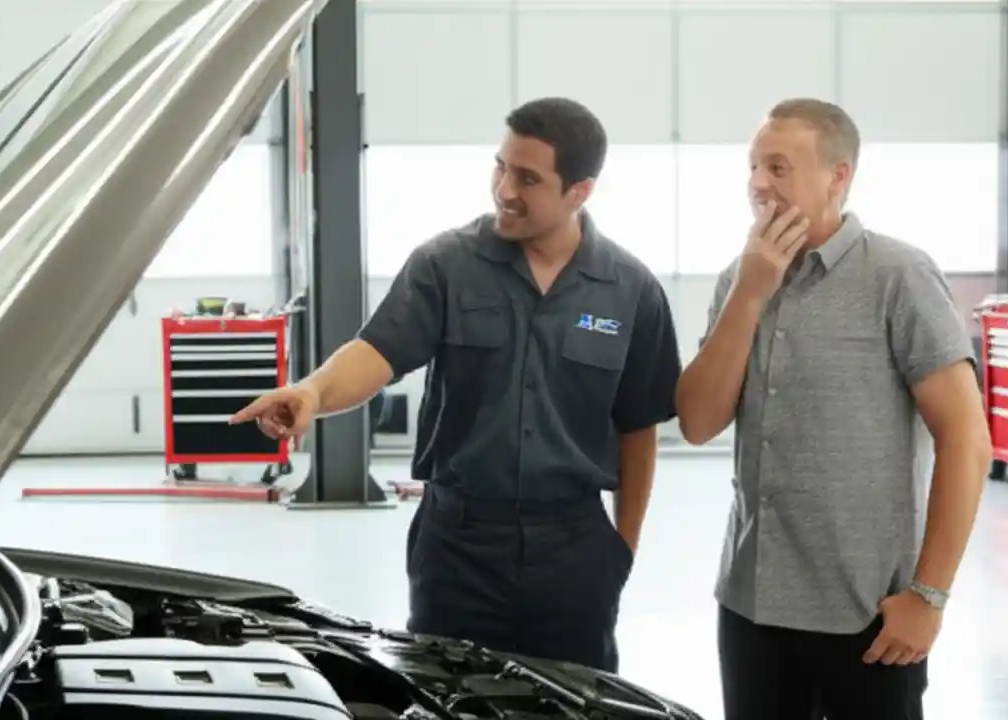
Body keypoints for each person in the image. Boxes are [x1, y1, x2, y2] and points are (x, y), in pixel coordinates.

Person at [230, 97, 682, 672]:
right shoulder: (447, 264)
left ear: (580, 192)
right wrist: (313, 393)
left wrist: (623, 549)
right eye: (501, 166)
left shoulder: (631, 289)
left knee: (574, 703)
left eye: (528, 178)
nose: (504, 190)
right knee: (445, 695)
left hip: (574, 545)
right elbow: (377, 351)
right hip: (459, 544)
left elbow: (637, 427)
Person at [674, 97, 992, 719]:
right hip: (750, 609)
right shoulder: (738, 279)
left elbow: (966, 440)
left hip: (868, 618)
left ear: (837, 176)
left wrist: (928, 596)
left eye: (778, 168)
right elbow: (697, 422)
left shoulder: (897, 276)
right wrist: (749, 292)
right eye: (753, 168)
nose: (758, 184)